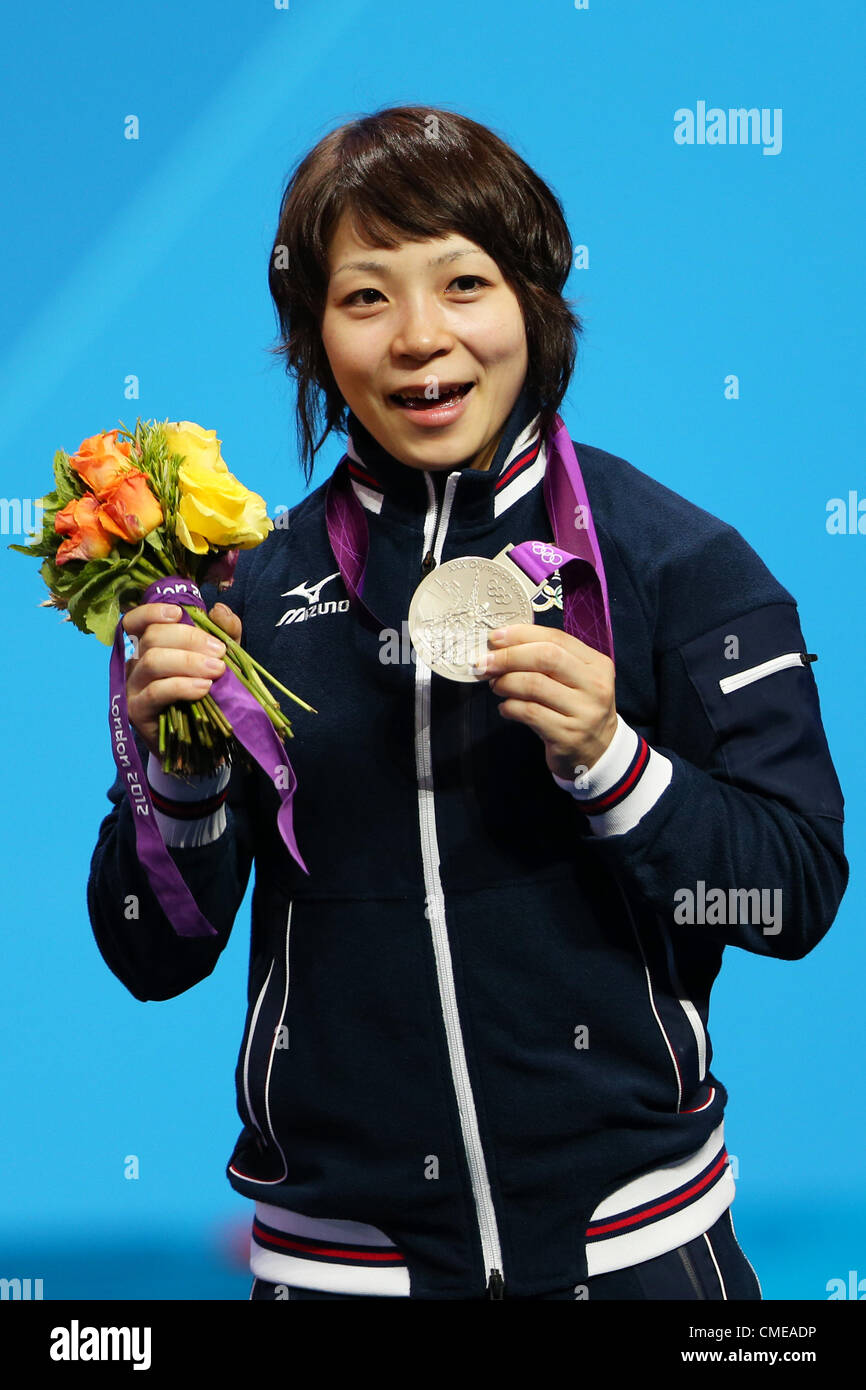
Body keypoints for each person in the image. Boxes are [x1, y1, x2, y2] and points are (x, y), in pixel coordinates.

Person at [88, 105, 847, 1301]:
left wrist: (614, 764)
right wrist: (178, 775)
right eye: (365, 298)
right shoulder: (253, 595)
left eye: (462, 282)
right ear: (310, 342)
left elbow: (792, 894)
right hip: (344, 1276)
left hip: (644, 1261)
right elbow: (151, 951)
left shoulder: (677, 566)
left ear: (535, 308)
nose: (419, 337)